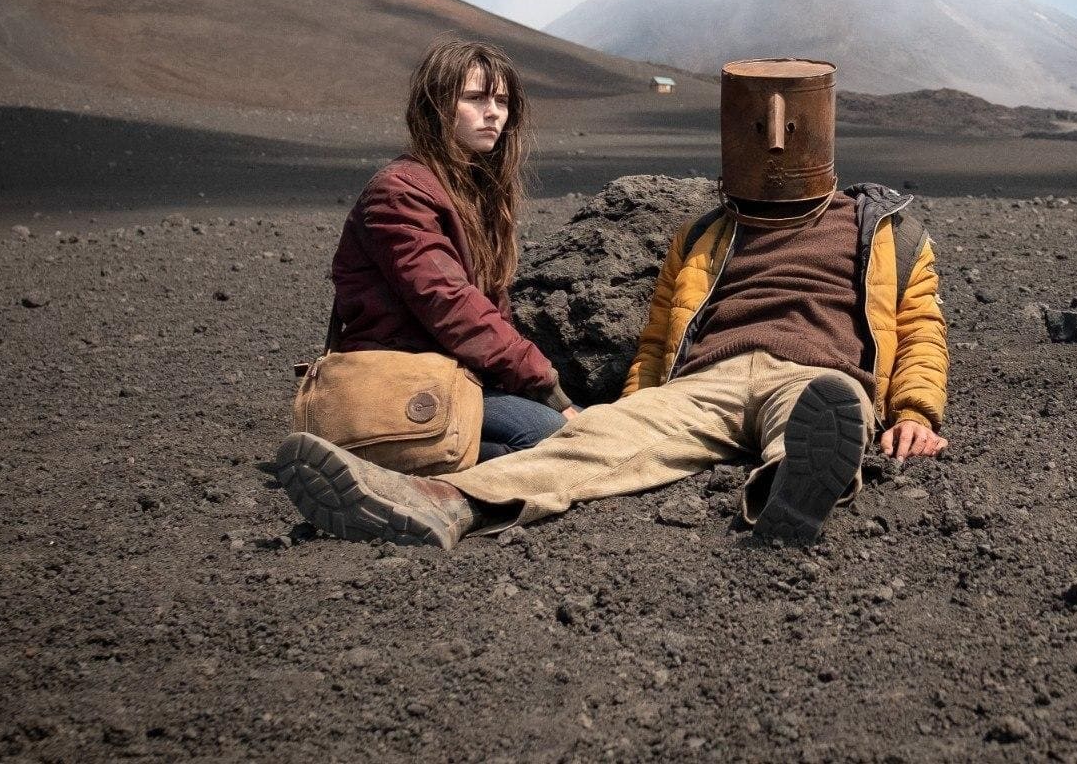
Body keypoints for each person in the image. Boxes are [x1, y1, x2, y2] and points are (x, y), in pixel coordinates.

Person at [277, 57, 947, 546]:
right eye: (476, 100)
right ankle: (446, 502)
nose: (774, 143)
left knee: (817, 418)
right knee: (591, 440)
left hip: (818, 375)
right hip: (704, 382)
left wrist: (914, 409)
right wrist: (633, 406)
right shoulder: (706, 233)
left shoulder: (880, 227)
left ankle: (789, 489)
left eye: (500, 101)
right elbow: (658, 340)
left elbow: (919, 327)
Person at [324, 37, 576, 463]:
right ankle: (408, 475)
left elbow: (489, 306)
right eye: (475, 98)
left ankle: (426, 467)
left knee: (572, 434)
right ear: (437, 106)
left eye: (502, 100)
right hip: (403, 375)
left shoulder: (473, 191)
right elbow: (451, 304)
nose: (493, 112)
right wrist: (545, 386)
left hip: (455, 372)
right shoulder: (400, 191)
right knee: (549, 436)